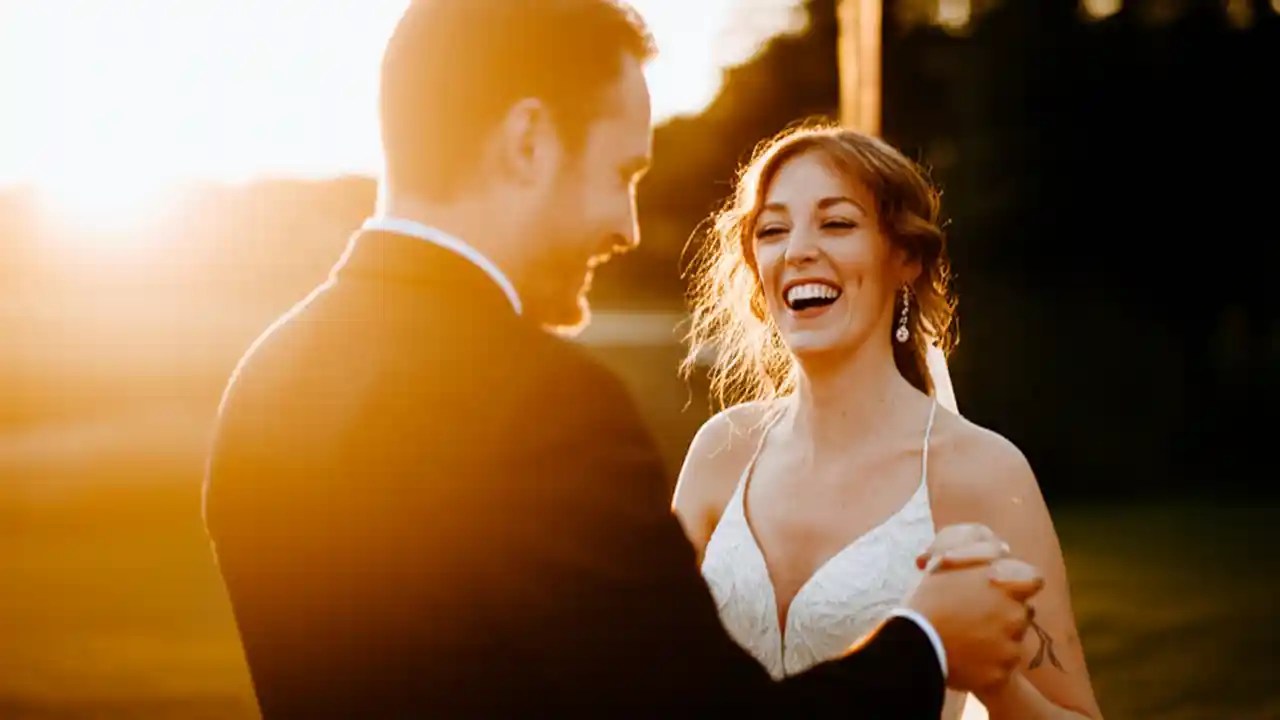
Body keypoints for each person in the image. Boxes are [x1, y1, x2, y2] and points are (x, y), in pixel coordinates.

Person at [203, 1, 1043, 716]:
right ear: (528, 142)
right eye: (622, 173)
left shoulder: (266, 383)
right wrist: (929, 642)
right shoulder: (541, 405)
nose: (627, 227)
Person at [674, 122, 1104, 719]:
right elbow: (642, 669)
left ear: (905, 258)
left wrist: (994, 674)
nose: (797, 250)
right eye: (773, 230)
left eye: (836, 223)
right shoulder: (720, 452)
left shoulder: (982, 472)